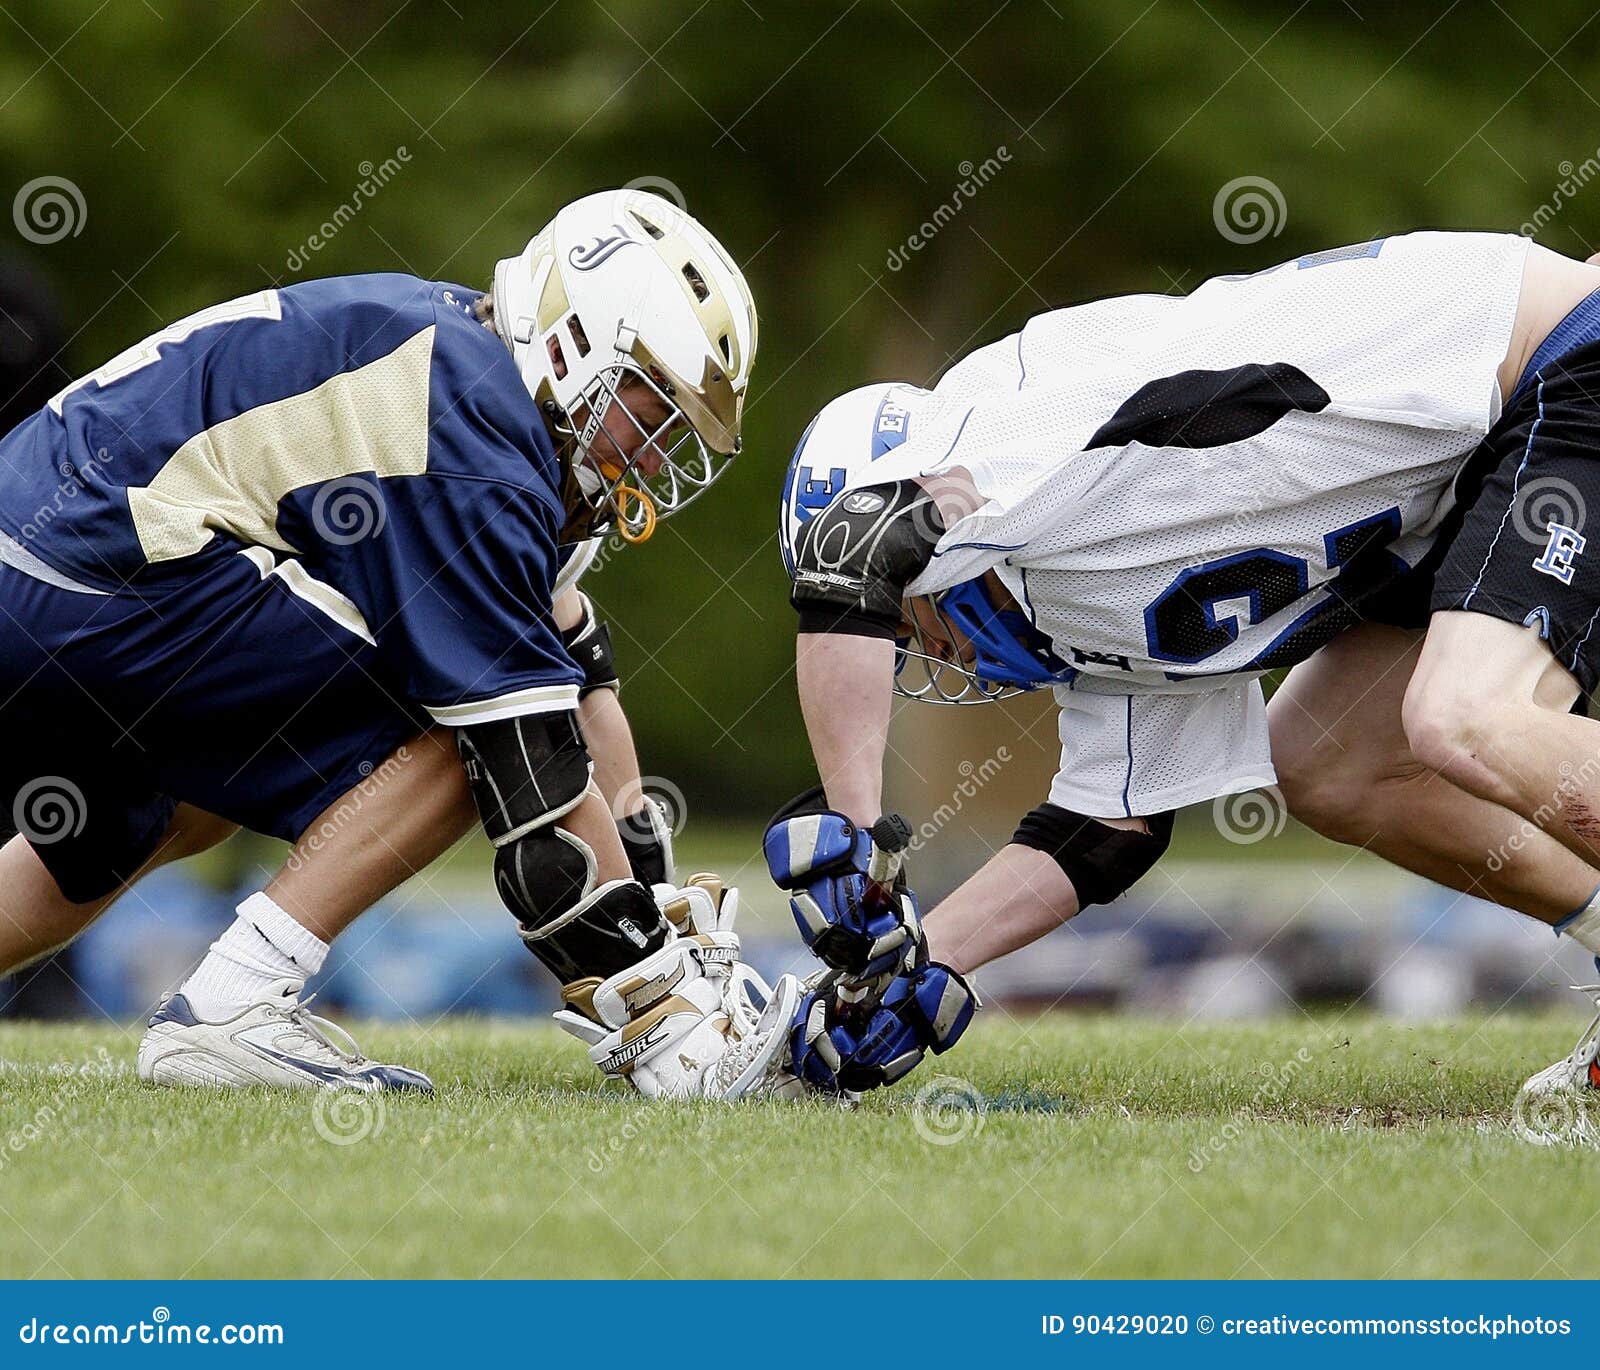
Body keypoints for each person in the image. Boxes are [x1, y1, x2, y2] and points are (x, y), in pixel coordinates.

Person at [763, 229, 1600, 1105]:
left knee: (1465, 714)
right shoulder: (1067, 593)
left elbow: (857, 544)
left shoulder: (1017, 431)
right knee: (1325, 764)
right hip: (1460, 476)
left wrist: (856, 842)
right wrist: (915, 967)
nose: (925, 645)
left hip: (1552, 361)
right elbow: (1104, 829)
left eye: (907, 615)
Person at [0, 187, 795, 1099]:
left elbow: (579, 670)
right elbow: (528, 761)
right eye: (651, 399)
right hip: (87, 570)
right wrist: (657, 998)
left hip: (59, 569)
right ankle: (230, 1006)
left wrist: (650, 896)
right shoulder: (472, 421)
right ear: (573, 341)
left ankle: (227, 999)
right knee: (468, 721)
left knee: (149, 813)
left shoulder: (473, 379)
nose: (656, 449)